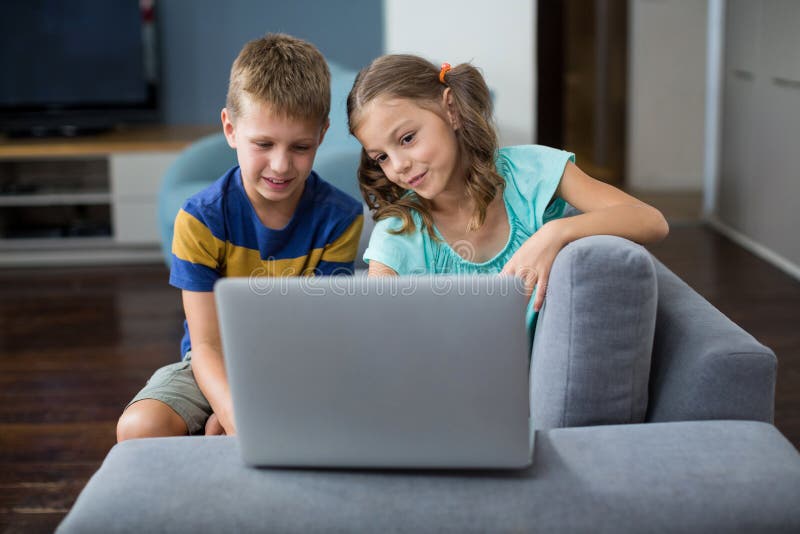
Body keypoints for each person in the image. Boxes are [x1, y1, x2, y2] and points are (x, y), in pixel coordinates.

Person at [116, 34, 364, 441]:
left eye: (300, 147)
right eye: (263, 144)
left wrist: (249, 408)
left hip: (302, 363)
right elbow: (206, 347)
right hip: (213, 363)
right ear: (230, 129)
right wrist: (232, 412)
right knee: (139, 428)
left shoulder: (340, 217)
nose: (281, 166)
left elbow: (319, 334)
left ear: (322, 134)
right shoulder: (200, 219)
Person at [347, 54, 668, 327]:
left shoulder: (534, 170)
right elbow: (375, 336)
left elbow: (651, 221)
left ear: (451, 110)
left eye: (406, 139)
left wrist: (556, 233)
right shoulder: (398, 233)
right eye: (382, 157)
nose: (398, 165)